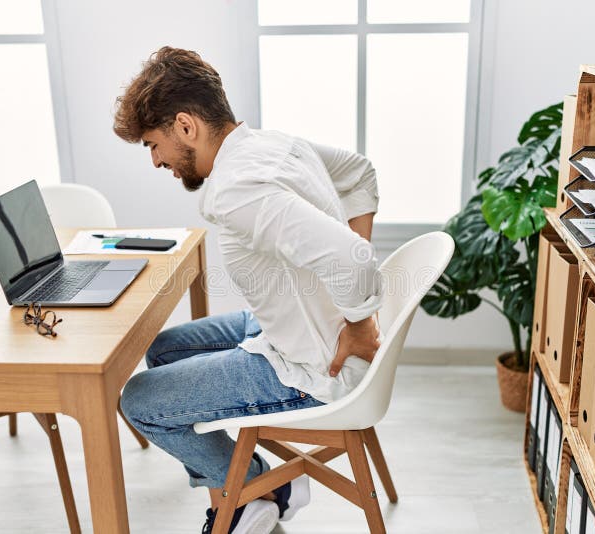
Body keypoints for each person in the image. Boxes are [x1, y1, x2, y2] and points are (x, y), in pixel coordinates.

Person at [116, 46, 383, 534]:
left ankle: (258, 489)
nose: (156, 161)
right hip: (286, 328)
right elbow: (360, 172)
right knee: (162, 351)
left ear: (185, 126)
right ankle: (242, 491)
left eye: (154, 144)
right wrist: (342, 297)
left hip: (311, 365)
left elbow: (351, 258)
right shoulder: (274, 144)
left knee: (136, 402)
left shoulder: (238, 187)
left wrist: (359, 321)